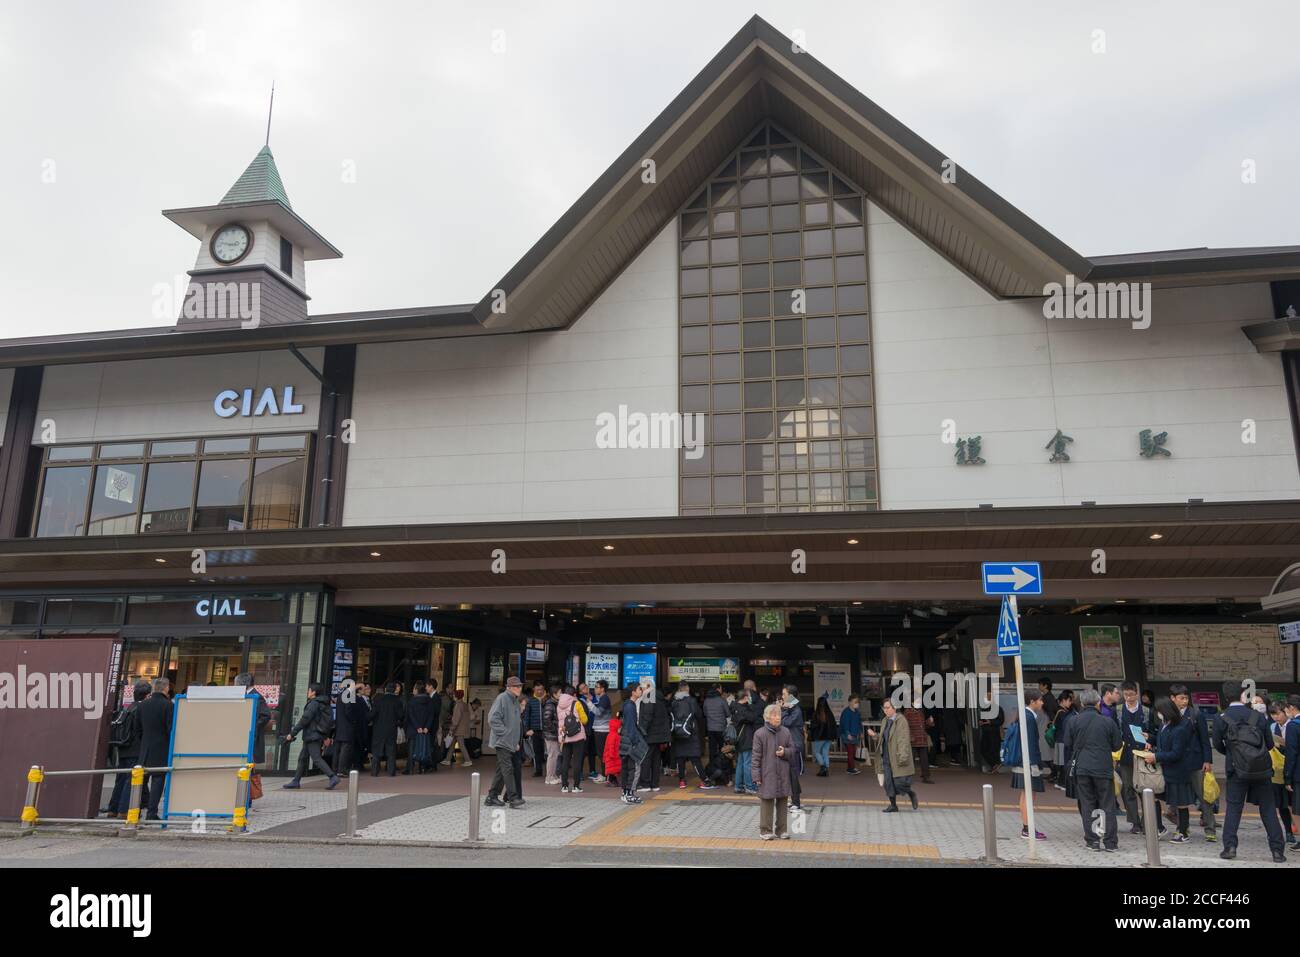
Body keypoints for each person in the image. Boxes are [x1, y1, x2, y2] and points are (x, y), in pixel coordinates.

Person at [1213, 679, 1286, 862]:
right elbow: (1269, 744)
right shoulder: (1258, 717)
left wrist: (1233, 754)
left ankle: (1230, 847)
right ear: (1242, 695)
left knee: (1234, 809)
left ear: (1225, 697)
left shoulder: (1221, 718)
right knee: (1268, 809)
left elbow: (1217, 745)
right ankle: (1277, 851)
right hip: (1261, 770)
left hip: (1236, 770)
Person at [1137, 697, 1197, 844]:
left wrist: (1155, 756)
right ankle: (1159, 828)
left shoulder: (1181, 728)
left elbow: (1176, 753)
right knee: (1154, 796)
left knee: (1181, 803)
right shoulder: (1166, 724)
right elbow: (1163, 740)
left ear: (1165, 711)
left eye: (1159, 711)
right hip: (1166, 771)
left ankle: (1183, 833)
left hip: (1178, 772)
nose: (1158, 715)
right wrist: (1150, 738)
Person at [1069, 689, 1122, 851]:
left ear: (1083, 704)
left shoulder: (1073, 721)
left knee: (1087, 804)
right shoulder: (1107, 722)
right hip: (1103, 768)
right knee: (1107, 805)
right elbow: (1117, 745)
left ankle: (1092, 841)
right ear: (1098, 703)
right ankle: (1110, 842)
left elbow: (1069, 742)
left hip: (1082, 768)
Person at [1169, 683, 1217, 842]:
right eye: (1181, 698)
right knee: (1180, 799)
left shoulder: (1196, 714)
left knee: (1203, 796)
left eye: (1186, 698)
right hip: (1177, 762)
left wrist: (1207, 760)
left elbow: (1205, 740)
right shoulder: (1169, 715)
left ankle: (1210, 829)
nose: (1184, 701)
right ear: (1172, 698)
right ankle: (1183, 828)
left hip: (1196, 761)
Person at [1115, 681, 1159, 835]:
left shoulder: (1146, 711)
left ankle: (1146, 820)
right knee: (1128, 788)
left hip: (1142, 755)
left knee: (1144, 788)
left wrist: (1150, 740)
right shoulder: (1118, 710)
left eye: (1132, 694)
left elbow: (1155, 732)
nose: (1129, 697)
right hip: (1125, 754)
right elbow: (1115, 731)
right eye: (1126, 694)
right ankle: (1134, 821)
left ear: (1137, 694)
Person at [105, 681, 151, 817]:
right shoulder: (142, 709)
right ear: (148, 695)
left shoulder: (128, 707)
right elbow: (141, 730)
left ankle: (113, 809)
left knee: (120, 779)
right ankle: (124, 811)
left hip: (124, 747)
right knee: (131, 780)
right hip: (136, 748)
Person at [283, 683, 340, 790]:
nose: (307, 692)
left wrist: (292, 734)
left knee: (316, 758)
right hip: (314, 734)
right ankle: (296, 781)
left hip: (312, 735)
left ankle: (333, 777)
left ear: (313, 692)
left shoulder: (314, 704)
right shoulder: (323, 703)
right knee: (302, 758)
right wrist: (325, 736)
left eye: (309, 690)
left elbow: (304, 720)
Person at [752, 703, 794, 840]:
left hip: (782, 773)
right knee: (767, 801)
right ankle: (765, 830)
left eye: (779, 715)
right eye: (774, 715)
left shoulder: (786, 732)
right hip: (767, 773)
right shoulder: (759, 734)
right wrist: (756, 775)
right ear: (767, 717)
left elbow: (793, 751)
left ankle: (782, 830)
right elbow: (756, 757)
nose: (778, 718)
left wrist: (785, 752)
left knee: (783, 800)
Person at [868, 698, 918, 812]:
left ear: (894, 708)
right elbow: (883, 737)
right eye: (884, 708)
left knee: (900, 783)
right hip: (886, 756)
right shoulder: (885, 721)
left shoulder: (901, 720)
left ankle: (911, 793)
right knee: (888, 783)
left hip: (897, 756)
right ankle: (893, 805)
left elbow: (903, 740)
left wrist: (903, 756)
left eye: (887, 707)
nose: (885, 710)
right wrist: (874, 735)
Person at [484, 677, 526, 809]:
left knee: (502, 770)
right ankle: (513, 798)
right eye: (516, 686)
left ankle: (492, 796)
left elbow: (515, 724)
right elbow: (493, 718)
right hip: (502, 741)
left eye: (520, 686)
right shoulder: (502, 698)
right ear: (509, 687)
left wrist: (514, 741)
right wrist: (505, 733)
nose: (519, 688)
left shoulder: (514, 700)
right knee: (507, 769)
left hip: (509, 742)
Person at [1010, 690, 1046, 841]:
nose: (1042, 703)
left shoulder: (1023, 715)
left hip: (1021, 761)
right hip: (1029, 762)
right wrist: (1036, 763)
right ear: (1032, 701)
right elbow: (1031, 743)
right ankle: (1027, 829)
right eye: (1040, 700)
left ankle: (1026, 827)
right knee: (1030, 796)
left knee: (1025, 795)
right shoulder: (1029, 717)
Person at [670, 682, 711, 788]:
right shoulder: (691, 701)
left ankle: (682, 781)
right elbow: (698, 715)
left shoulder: (674, 701)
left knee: (680, 758)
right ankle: (704, 780)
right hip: (691, 733)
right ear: (687, 689)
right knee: (695, 758)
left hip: (677, 732)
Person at [638, 679, 671, 792]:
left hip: (650, 734)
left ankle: (645, 784)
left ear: (647, 686)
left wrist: (642, 731)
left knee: (646, 759)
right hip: (659, 735)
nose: (641, 690)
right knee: (656, 759)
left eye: (641, 687)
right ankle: (655, 784)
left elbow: (647, 716)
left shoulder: (649, 696)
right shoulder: (659, 697)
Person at [619, 682, 648, 803]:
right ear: (633, 692)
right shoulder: (630, 706)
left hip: (625, 740)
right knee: (634, 768)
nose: (640, 691)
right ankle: (630, 794)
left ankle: (625, 793)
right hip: (630, 741)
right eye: (639, 689)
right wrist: (635, 741)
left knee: (626, 768)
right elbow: (631, 726)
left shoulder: (627, 704)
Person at [779, 685, 806, 813]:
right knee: (790, 774)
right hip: (791, 745)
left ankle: (796, 802)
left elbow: (786, 722)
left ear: (790, 696)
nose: (782, 697)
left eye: (784, 694)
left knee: (793, 774)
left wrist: (783, 710)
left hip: (795, 746)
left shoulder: (796, 710)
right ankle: (794, 800)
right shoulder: (793, 708)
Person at [369, 682, 404, 777]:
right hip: (391, 729)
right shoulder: (397, 701)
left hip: (378, 729)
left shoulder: (378, 700)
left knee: (376, 751)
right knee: (391, 751)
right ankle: (391, 772)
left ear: (385, 690)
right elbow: (401, 716)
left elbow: (372, 715)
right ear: (394, 690)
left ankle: (374, 772)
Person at [556, 686, 587, 793]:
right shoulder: (577, 703)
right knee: (577, 761)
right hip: (577, 735)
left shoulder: (559, 704)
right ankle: (576, 786)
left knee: (565, 761)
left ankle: (564, 786)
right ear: (574, 695)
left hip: (565, 735)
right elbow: (585, 720)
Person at [404, 681, 436, 775]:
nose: (413, 690)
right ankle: (421, 768)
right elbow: (431, 715)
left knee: (411, 749)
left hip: (413, 729)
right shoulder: (429, 700)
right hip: (425, 730)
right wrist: (427, 727)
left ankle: (410, 769)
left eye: (414, 688)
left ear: (417, 690)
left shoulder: (412, 701)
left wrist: (417, 726)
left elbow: (410, 715)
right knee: (423, 748)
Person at [731, 689, 759, 794]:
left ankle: (738, 786)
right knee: (747, 763)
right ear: (745, 697)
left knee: (740, 763)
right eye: (749, 697)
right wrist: (751, 705)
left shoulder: (734, 707)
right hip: (746, 738)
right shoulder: (744, 709)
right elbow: (753, 717)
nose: (750, 698)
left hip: (738, 739)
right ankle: (750, 786)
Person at [1282, 694, 1300, 848]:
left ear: (1292, 708)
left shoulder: (1293, 725)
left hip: (1298, 774)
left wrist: (1287, 777)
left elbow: (1291, 753)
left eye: (1286, 708)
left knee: (1297, 808)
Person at [586, 680, 612, 782]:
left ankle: (606, 775)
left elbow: (598, 712)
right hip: (601, 729)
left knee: (602, 753)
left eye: (597, 687)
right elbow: (598, 704)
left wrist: (589, 703)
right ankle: (606, 774)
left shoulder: (604, 698)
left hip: (602, 730)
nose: (595, 689)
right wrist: (592, 699)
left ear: (602, 689)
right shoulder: (602, 698)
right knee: (602, 753)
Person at [1051, 690, 1077, 790]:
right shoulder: (1062, 712)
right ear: (1064, 700)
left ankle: (1059, 782)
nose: (1070, 703)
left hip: (1059, 739)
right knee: (1063, 763)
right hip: (1062, 739)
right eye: (1069, 701)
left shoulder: (1060, 711)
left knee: (1061, 763)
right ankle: (1062, 783)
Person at [903, 699, 933, 783]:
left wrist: (929, 722)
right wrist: (910, 736)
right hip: (913, 740)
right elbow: (905, 726)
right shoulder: (907, 712)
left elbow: (923, 725)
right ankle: (907, 778)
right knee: (910, 760)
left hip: (922, 739)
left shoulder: (921, 712)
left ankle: (926, 777)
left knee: (924, 759)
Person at [809, 695, 838, 777]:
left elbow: (813, 726)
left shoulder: (816, 714)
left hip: (819, 737)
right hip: (828, 737)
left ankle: (823, 767)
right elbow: (833, 725)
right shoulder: (830, 714)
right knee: (825, 752)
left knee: (817, 752)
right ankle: (826, 768)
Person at [445, 690, 474, 768]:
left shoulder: (458, 705)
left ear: (456, 696)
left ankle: (468, 760)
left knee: (461, 745)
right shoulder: (465, 705)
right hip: (463, 727)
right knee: (452, 745)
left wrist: (452, 729)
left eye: (454, 695)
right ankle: (447, 759)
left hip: (458, 729)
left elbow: (456, 719)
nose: (453, 696)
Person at [703, 683, 729, 768]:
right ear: (718, 689)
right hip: (721, 728)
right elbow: (728, 714)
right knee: (723, 748)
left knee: (712, 749)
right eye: (721, 688)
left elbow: (705, 713)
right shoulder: (722, 700)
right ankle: (723, 765)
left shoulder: (706, 700)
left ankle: (712, 766)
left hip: (710, 728)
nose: (722, 690)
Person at [838, 694, 863, 776]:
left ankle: (850, 767)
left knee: (853, 752)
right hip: (847, 736)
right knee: (850, 752)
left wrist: (861, 732)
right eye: (855, 702)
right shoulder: (846, 712)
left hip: (854, 735)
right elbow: (845, 724)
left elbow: (859, 723)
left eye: (857, 702)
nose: (857, 703)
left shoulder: (857, 712)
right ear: (850, 702)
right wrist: (848, 734)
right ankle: (851, 769)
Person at [542, 684, 561, 784]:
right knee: (552, 755)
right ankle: (549, 777)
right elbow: (546, 719)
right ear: (554, 694)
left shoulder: (554, 703)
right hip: (551, 734)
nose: (561, 694)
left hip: (552, 734)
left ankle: (553, 775)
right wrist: (554, 730)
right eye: (559, 693)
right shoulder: (550, 704)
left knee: (555, 755)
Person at [979, 700, 1004, 773]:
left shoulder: (998, 709)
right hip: (985, 732)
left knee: (993, 750)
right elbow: (982, 719)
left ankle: (995, 766)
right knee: (983, 750)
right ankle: (995, 765)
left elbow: (1001, 720)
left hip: (994, 733)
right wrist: (981, 722)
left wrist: (990, 722)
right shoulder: (984, 709)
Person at [525, 683, 545, 776]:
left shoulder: (547, 699)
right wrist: (527, 729)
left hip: (546, 730)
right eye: (537, 689)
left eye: (541, 689)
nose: (539, 691)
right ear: (534, 689)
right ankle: (538, 771)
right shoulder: (530, 701)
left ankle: (551, 771)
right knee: (537, 751)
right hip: (535, 730)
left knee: (548, 752)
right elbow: (527, 716)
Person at [603, 713, 623, 788]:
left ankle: (613, 781)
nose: (620, 729)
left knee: (613, 770)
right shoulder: (614, 735)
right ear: (616, 727)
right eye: (619, 727)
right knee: (612, 770)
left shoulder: (611, 734)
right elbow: (611, 746)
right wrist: (612, 755)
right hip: (612, 757)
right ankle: (610, 781)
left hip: (613, 756)